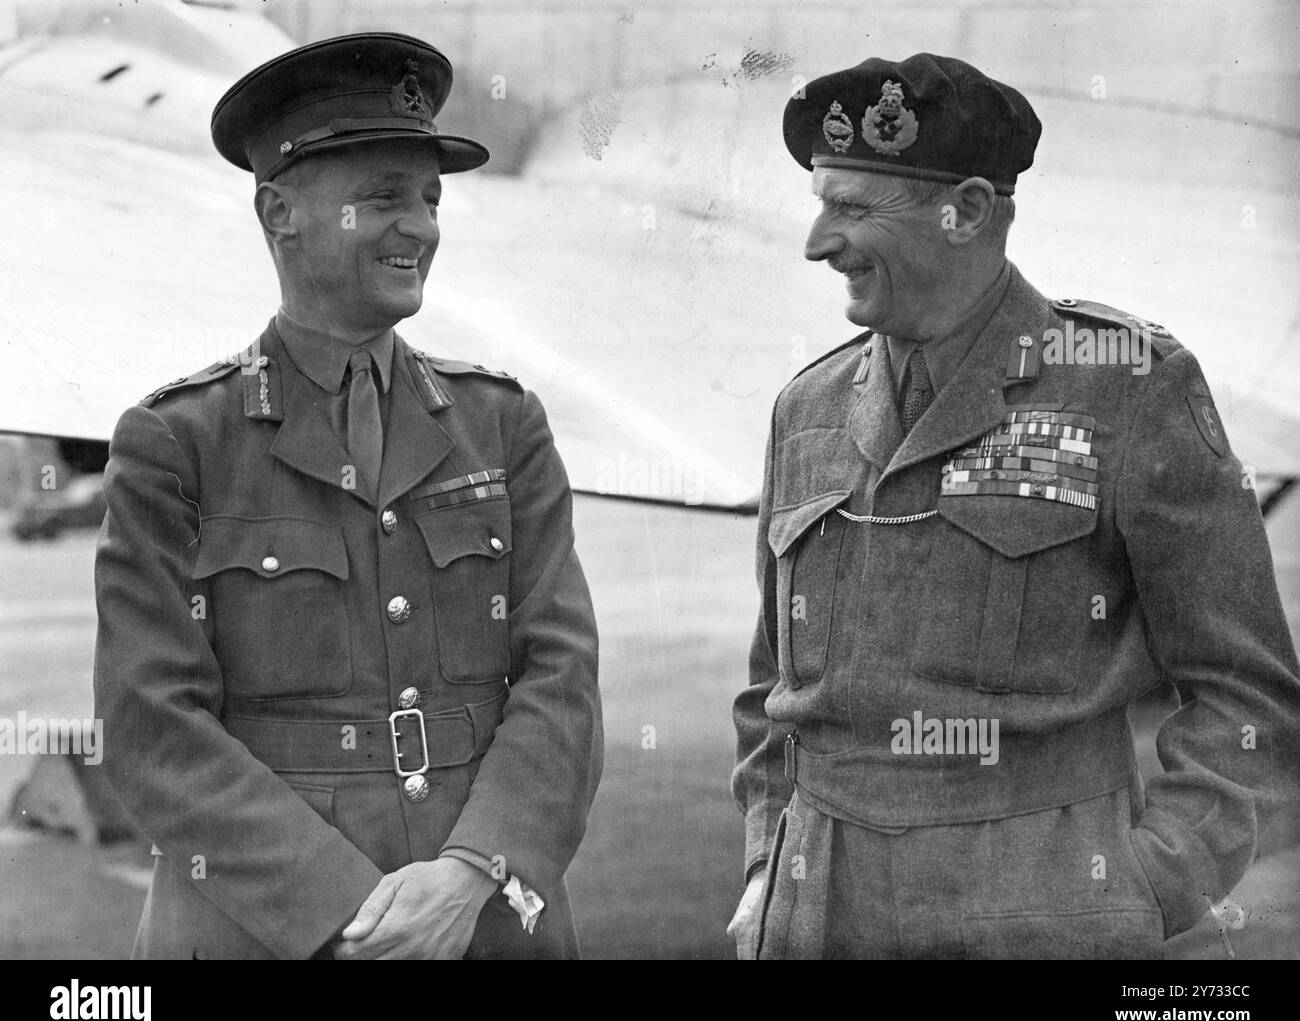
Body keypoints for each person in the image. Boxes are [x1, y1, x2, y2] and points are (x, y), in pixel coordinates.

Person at [728, 52, 1300, 959]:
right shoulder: (807, 409)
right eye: (821, 203)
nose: (817, 242)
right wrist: (768, 867)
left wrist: (1151, 883)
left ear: (967, 212)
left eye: (853, 208)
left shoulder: (1128, 388)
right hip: (816, 910)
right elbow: (770, 692)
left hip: (1040, 905)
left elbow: (1249, 697)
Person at [93, 32, 603, 960]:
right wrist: (348, 915)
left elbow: (561, 678)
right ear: (280, 212)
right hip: (266, 926)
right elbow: (151, 724)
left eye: (430, 198)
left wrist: (469, 873)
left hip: (482, 919)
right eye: (383, 199)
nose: (421, 227)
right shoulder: (178, 442)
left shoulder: (500, 423)